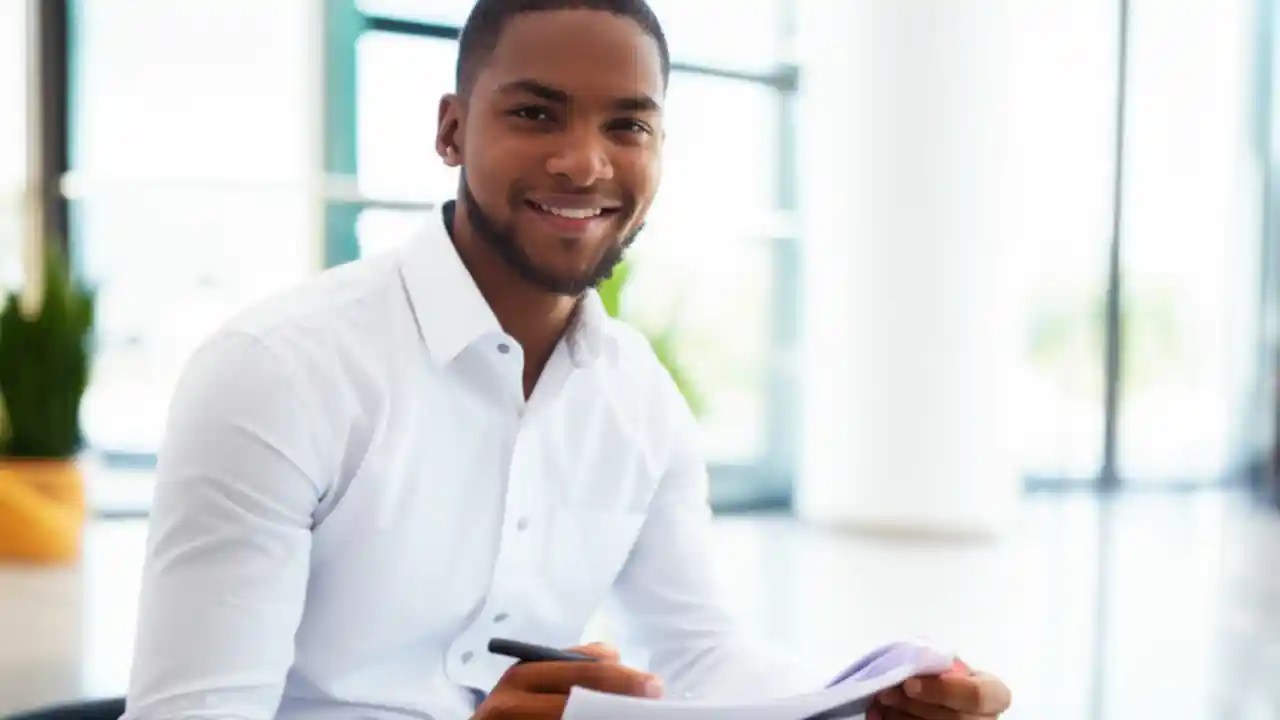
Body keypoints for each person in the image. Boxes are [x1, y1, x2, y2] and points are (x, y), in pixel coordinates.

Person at [122, 1, 1012, 719]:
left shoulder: (639, 399)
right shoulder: (279, 372)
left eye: (628, 125)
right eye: (535, 113)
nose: (585, 163)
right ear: (452, 131)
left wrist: (875, 703)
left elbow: (699, 657)